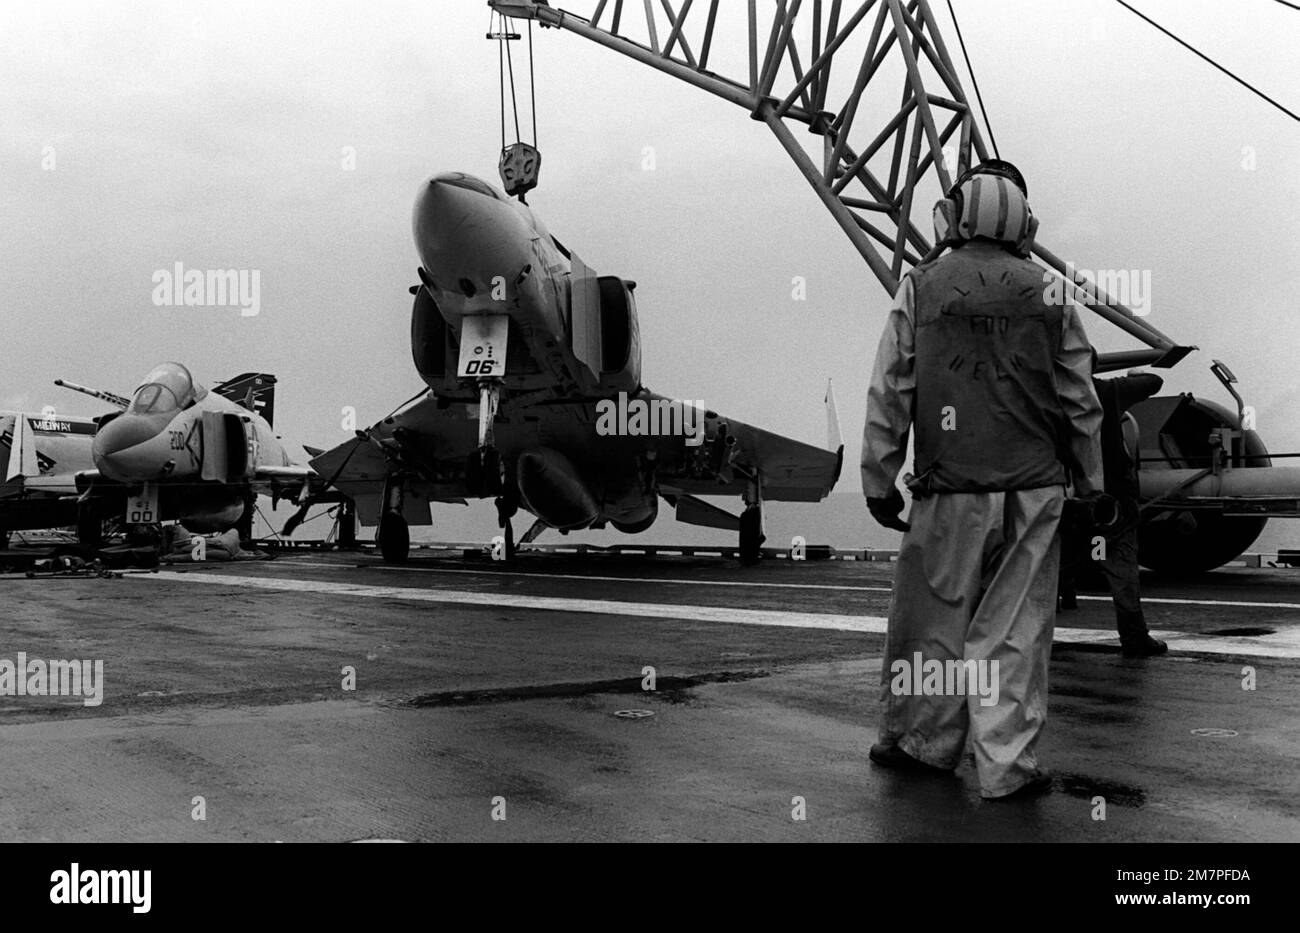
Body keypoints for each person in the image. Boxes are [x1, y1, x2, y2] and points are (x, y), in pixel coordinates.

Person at [861, 159, 1104, 800]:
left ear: (955, 214)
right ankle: (1008, 768)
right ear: (1023, 222)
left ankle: (923, 744)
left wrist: (878, 478)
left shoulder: (922, 286)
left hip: (949, 491)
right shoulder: (1052, 292)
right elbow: (1079, 397)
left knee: (931, 626)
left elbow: (891, 388)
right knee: (1016, 633)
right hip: (1035, 491)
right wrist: (1094, 479)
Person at [1059, 363, 1168, 657]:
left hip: (1072, 503)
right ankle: (1135, 638)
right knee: (1123, 573)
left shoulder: (1048, 395)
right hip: (1116, 503)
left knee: (1058, 566)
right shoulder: (1107, 390)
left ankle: (1020, 634)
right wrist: (1134, 375)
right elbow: (1154, 381)